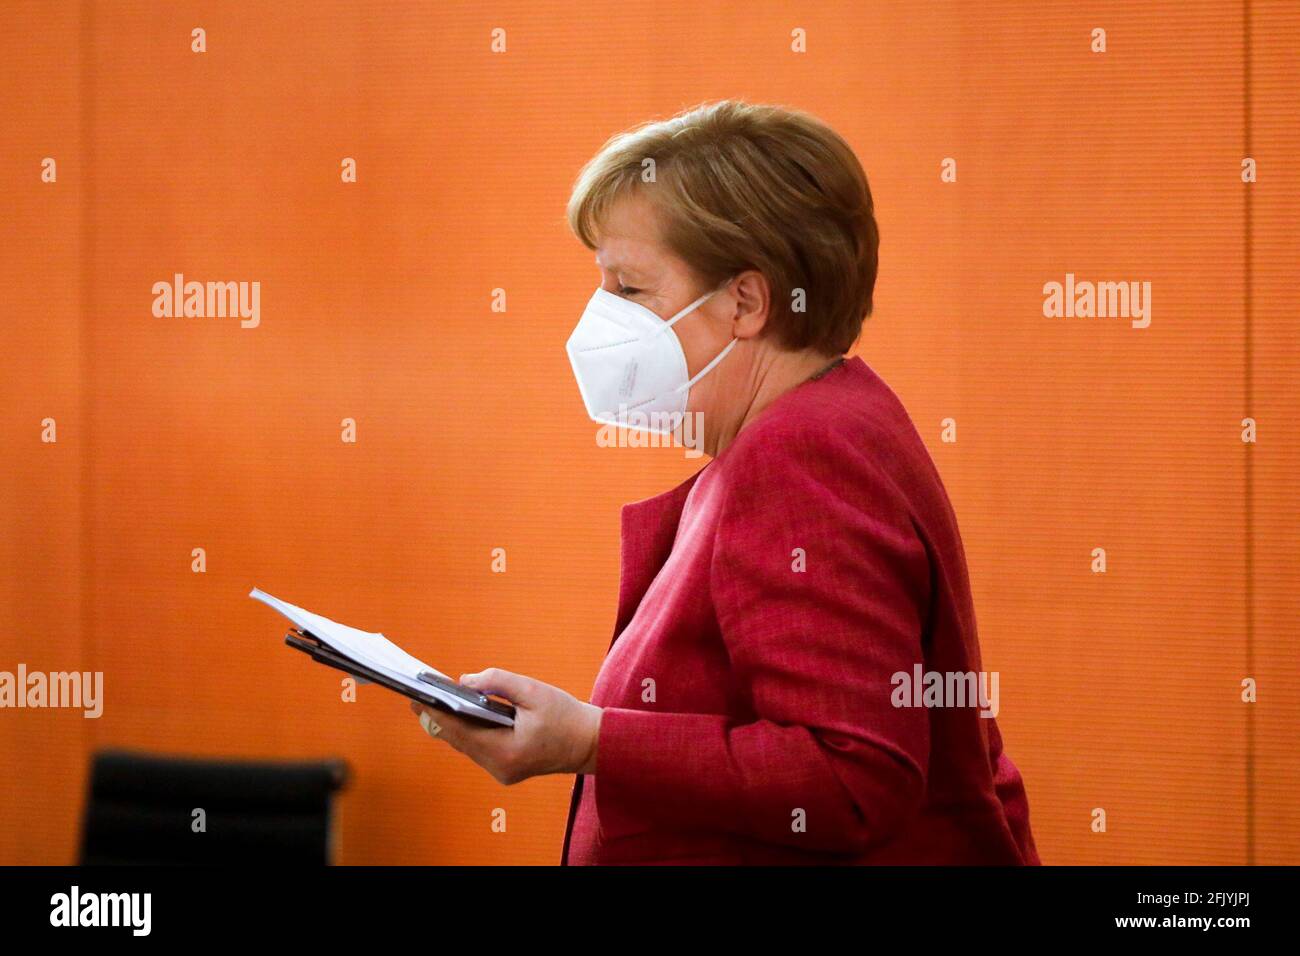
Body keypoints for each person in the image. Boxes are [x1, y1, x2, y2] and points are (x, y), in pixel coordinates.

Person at [411, 100, 1040, 865]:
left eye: (630, 290)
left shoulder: (804, 454)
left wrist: (588, 739)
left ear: (746, 302)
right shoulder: (819, 422)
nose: (599, 322)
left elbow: (851, 777)